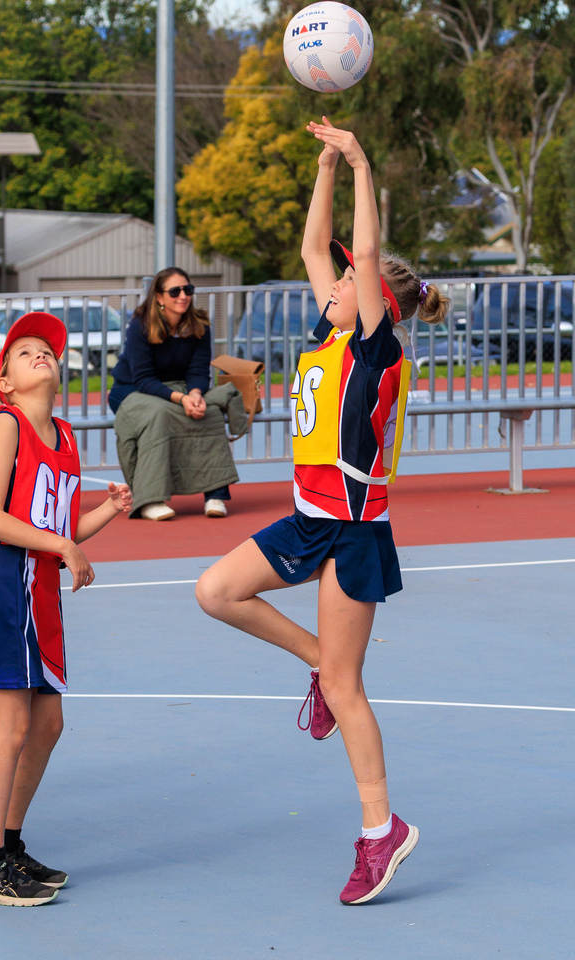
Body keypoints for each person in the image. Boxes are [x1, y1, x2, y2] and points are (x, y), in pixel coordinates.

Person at [196, 117, 449, 904]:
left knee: (348, 689)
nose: (334, 282)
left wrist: (365, 161)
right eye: (339, 282)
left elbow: (362, 256)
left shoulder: (377, 348)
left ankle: (383, 830)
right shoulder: (329, 336)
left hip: (353, 531)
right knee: (216, 591)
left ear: (376, 301)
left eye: (348, 283)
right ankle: (316, 661)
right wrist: (327, 165)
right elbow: (317, 247)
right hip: (310, 517)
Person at [0, 312, 132, 907]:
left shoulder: (68, 437)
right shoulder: (7, 426)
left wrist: (105, 514)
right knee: (13, 727)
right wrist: (62, 545)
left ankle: (10, 843)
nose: (41, 356)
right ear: (4, 381)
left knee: (46, 726)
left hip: (40, 592)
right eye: (25, 353)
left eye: (47, 350)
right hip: (4, 583)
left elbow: (62, 526)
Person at [109, 267, 247, 521]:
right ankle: (149, 499)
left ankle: (215, 494)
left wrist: (194, 394)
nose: (183, 295)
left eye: (188, 289)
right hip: (130, 389)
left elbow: (198, 371)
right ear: (159, 297)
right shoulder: (140, 326)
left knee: (210, 412)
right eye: (175, 291)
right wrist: (182, 400)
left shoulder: (200, 326)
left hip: (178, 389)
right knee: (160, 414)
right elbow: (144, 379)